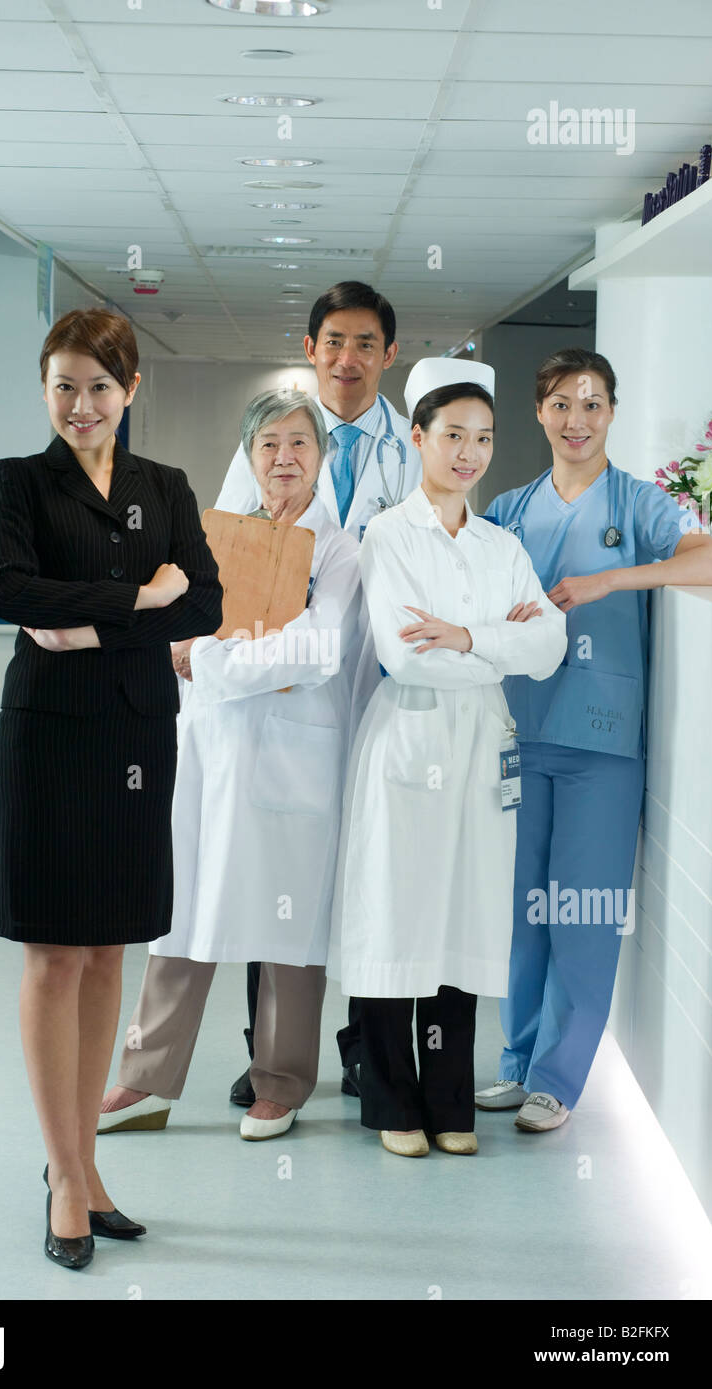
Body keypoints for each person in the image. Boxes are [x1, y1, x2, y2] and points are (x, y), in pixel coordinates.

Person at [0, 307, 222, 1268]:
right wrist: (138, 601)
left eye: (99, 386)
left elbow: (204, 599)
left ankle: (80, 1166)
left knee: (109, 951)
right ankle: (67, 1179)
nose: (80, 405)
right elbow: (12, 591)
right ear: (45, 389)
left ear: (131, 391)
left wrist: (97, 627)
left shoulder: (163, 487)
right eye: (63, 385)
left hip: (132, 733)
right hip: (46, 740)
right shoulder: (18, 483)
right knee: (53, 957)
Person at [97, 388, 362, 1141]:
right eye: (270, 444)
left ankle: (282, 1082)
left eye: (301, 444)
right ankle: (146, 1080)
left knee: (288, 923)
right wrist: (229, 655)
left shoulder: (339, 550)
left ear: (322, 457)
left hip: (292, 756)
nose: (285, 458)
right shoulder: (210, 540)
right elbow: (168, 633)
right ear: (250, 455)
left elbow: (318, 649)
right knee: (182, 912)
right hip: (208, 751)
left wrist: (215, 658)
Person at [328, 358, 568, 1158]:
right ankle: (395, 1103)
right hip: (411, 739)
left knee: (467, 913)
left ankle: (450, 1101)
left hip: (480, 745)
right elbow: (405, 655)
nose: (468, 452)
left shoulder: (502, 544)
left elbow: (551, 645)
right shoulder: (388, 536)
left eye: (483, 438)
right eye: (452, 435)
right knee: (403, 913)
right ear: (420, 437)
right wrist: (501, 646)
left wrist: (469, 639)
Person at [475, 347, 712, 1131]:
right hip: (518, 731)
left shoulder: (642, 506)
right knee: (521, 908)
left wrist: (613, 580)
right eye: (560, 404)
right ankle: (516, 1062)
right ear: (538, 413)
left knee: (581, 907)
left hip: (601, 741)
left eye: (592, 404)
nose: (575, 420)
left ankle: (559, 1077)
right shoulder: (508, 510)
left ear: (611, 412)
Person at [217, 281, 423, 1106]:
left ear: (389, 355)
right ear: (310, 350)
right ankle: (265, 1053)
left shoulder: (412, 448)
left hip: (378, 685)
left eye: (366, 343)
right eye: (333, 341)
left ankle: (363, 1049)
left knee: (367, 875)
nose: (348, 358)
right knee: (274, 873)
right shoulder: (269, 437)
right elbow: (232, 555)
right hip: (283, 692)